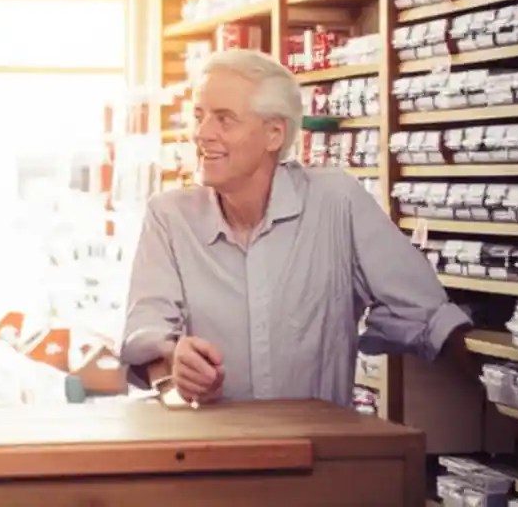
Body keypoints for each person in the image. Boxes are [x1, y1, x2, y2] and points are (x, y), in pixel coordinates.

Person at [120, 48, 474, 407]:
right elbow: (146, 335)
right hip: (212, 451)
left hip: (316, 452)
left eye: (224, 120)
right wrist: (174, 369)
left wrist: (515, 402)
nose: (202, 134)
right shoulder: (169, 217)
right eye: (200, 116)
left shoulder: (337, 203)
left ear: (274, 134)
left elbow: (427, 314)